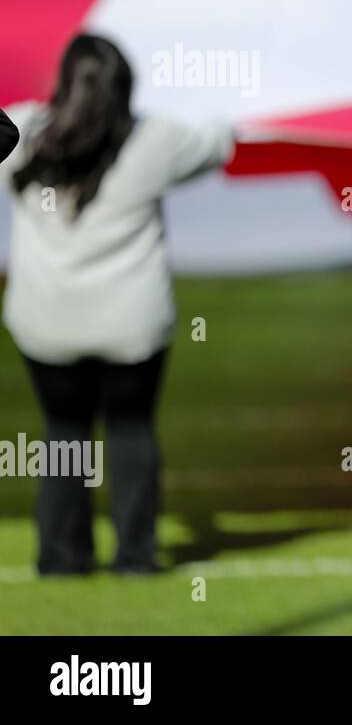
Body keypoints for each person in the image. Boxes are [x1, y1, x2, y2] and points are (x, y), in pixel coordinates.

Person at [0, 33, 234, 575]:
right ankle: (135, 554)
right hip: (131, 321)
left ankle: (61, 555)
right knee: (131, 428)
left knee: (64, 431)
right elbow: (220, 140)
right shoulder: (156, 138)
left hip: (46, 321)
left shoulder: (22, 133)